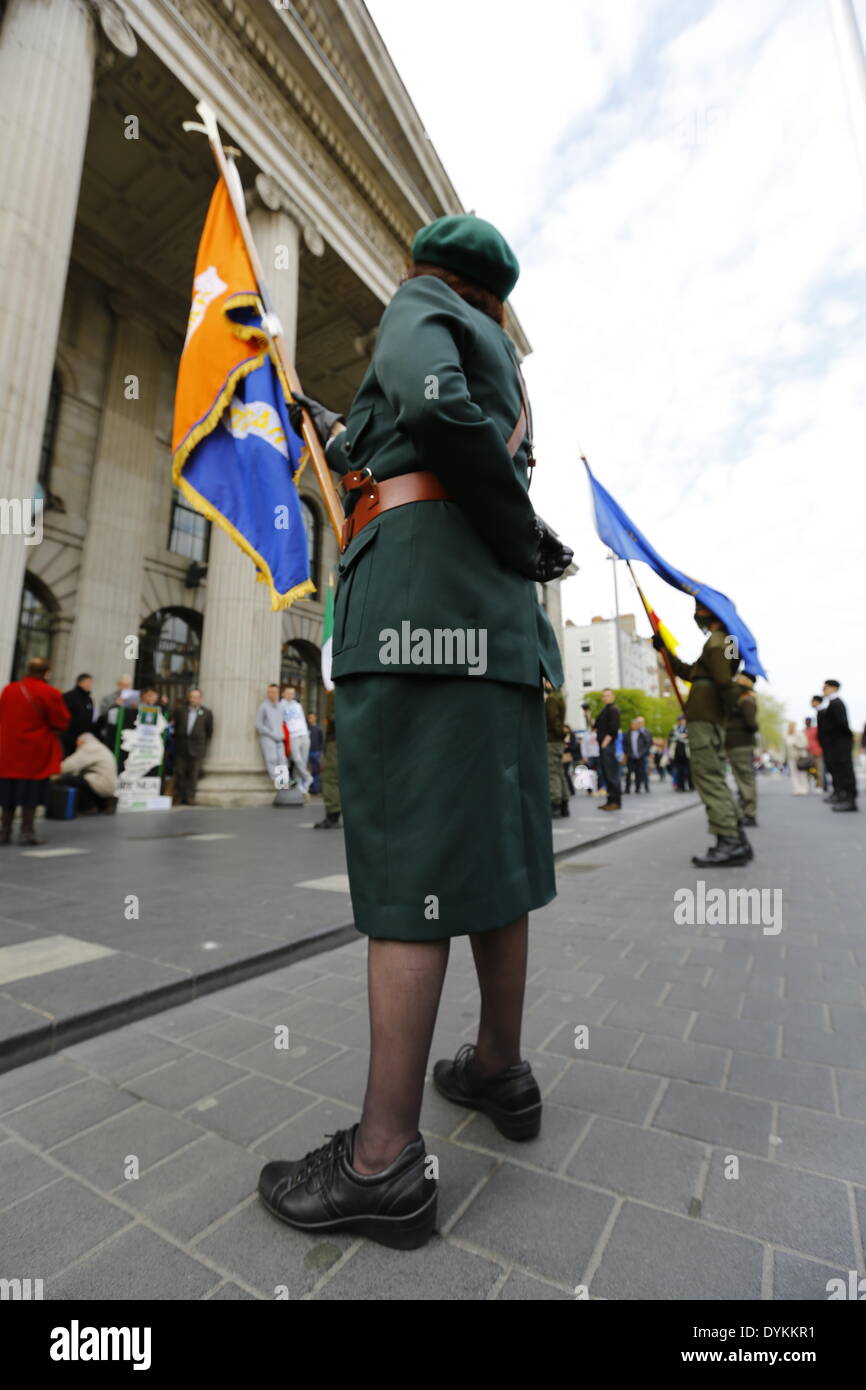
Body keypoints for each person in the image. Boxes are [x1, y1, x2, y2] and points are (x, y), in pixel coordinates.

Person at [257, 212, 572, 1248]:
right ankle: (497, 1067)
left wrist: (525, 535)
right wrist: (329, 428)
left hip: (414, 616)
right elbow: (410, 434)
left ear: (433, 273)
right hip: (491, 630)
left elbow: (430, 417)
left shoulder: (418, 307)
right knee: (489, 850)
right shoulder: (506, 370)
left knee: (410, 865)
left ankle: (381, 1159)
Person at [656, 603, 748, 865]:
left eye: (702, 609)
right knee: (715, 777)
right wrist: (665, 650)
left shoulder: (722, 640)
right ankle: (735, 838)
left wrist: (729, 709)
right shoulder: (725, 641)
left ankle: (729, 842)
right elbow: (691, 673)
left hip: (705, 718)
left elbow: (723, 677)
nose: (698, 615)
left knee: (709, 778)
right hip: (709, 717)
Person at [0, 657, 70, 845]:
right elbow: (61, 721)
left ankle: (4, 830)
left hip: (8, 749)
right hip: (34, 750)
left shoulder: (10, 689)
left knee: (8, 791)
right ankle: (27, 831)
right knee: (30, 792)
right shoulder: (49, 692)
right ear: (47, 673)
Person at [725, 671, 759, 826]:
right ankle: (744, 811)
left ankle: (749, 813)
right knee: (741, 779)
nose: (736, 679)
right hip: (735, 744)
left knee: (745, 779)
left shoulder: (746, 699)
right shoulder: (741, 698)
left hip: (741, 744)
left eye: (739, 677)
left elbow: (751, 724)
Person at [817, 680, 857, 812]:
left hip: (841, 743)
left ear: (834, 688)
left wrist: (845, 739)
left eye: (826, 687)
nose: (824, 690)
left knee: (845, 771)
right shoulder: (832, 704)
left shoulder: (836, 703)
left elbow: (842, 724)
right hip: (837, 743)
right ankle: (843, 796)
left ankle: (850, 800)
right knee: (840, 770)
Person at [56, 732, 118, 813]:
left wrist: (53, 771)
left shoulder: (90, 748)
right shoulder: (100, 747)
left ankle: (88, 806)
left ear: (80, 742)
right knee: (84, 779)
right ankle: (104, 803)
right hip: (107, 786)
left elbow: (70, 765)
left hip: (101, 785)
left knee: (68, 780)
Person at [172, 688, 213, 806]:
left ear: (200, 699)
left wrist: (202, 743)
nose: (194, 699)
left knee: (193, 773)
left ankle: (190, 796)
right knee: (180, 772)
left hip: (197, 747)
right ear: (189, 698)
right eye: (192, 697)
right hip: (181, 746)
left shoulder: (206, 713)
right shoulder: (180, 710)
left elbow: (209, 731)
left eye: (196, 697)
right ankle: (179, 796)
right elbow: (176, 726)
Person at [314, 689, 341, 828]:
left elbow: (333, 717)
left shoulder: (335, 692)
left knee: (330, 776)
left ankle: (333, 815)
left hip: (337, 739)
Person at [545, 681, 569, 818]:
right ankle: (564, 804)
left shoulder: (552, 700)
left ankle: (555, 804)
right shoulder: (560, 699)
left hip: (552, 741)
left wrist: (560, 732)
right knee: (559, 772)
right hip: (557, 741)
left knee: (553, 772)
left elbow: (553, 720)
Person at [280, 685, 312, 792]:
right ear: (283, 694)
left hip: (304, 734)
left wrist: (306, 733)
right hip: (292, 736)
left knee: (303, 761)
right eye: (288, 693)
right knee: (297, 760)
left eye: (292, 693)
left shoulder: (298, 705)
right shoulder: (280, 706)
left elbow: (302, 719)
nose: (291, 695)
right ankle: (308, 778)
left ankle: (300, 785)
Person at [596, 688, 621, 810]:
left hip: (607, 745)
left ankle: (616, 802)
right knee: (606, 774)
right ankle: (610, 800)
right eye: (604, 696)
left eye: (608, 695)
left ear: (613, 696)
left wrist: (604, 744)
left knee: (611, 775)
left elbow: (613, 730)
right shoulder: (604, 711)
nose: (605, 697)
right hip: (603, 745)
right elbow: (595, 726)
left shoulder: (613, 710)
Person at [255, 684, 284, 788]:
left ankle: (284, 785)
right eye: (270, 692)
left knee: (282, 760)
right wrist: (271, 733)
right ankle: (279, 784)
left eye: (274, 692)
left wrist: (281, 734)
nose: (272, 694)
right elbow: (258, 725)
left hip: (280, 738)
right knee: (272, 759)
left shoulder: (281, 706)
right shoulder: (263, 706)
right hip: (268, 738)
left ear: (278, 693)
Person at [62, 673, 94, 756]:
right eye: (87, 682)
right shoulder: (69, 697)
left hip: (83, 739)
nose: (90, 685)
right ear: (80, 682)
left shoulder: (88, 699)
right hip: (69, 738)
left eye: (90, 683)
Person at [625, 716, 652, 793]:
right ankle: (627, 788)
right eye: (634, 724)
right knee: (629, 773)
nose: (636, 725)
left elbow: (648, 743)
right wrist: (627, 753)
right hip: (630, 756)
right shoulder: (627, 733)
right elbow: (625, 744)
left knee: (640, 772)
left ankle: (639, 787)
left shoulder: (643, 733)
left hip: (641, 756)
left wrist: (642, 753)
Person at [784, 721, 810, 795]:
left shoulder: (800, 734)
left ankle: (804, 788)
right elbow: (784, 748)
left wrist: (796, 744)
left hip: (800, 756)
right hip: (791, 757)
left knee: (802, 773)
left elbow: (805, 744)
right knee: (793, 774)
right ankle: (796, 789)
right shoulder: (786, 735)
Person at [668, 715, 691, 791]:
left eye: (683, 720)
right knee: (679, 770)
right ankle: (680, 786)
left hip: (687, 753)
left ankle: (691, 786)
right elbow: (670, 739)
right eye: (681, 720)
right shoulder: (675, 729)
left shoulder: (689, 729)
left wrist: (686, 736)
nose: (682, 722)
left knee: (689, 770)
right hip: (677, 753)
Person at [804, 716, 824, 793]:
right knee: (808, 771)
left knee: (819, 770)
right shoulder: (804, 731)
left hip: (818, 752)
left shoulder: (816, 730)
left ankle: (819, 786)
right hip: (808, 753)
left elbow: (821, 739)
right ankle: (807, 786)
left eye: (808, 721)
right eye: (806, 721)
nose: (807, 723)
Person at [307, 711, 324, 794]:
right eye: (309, 718)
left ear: (315, 718)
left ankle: (316, 789)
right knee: (309, 771)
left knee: (316, 771)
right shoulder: (307, 729)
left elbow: (321, 741)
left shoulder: (319, 729)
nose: (311, 719)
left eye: (312, 717)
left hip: (316, 752)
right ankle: (311, 787)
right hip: (308, 752)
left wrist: (320, 752)